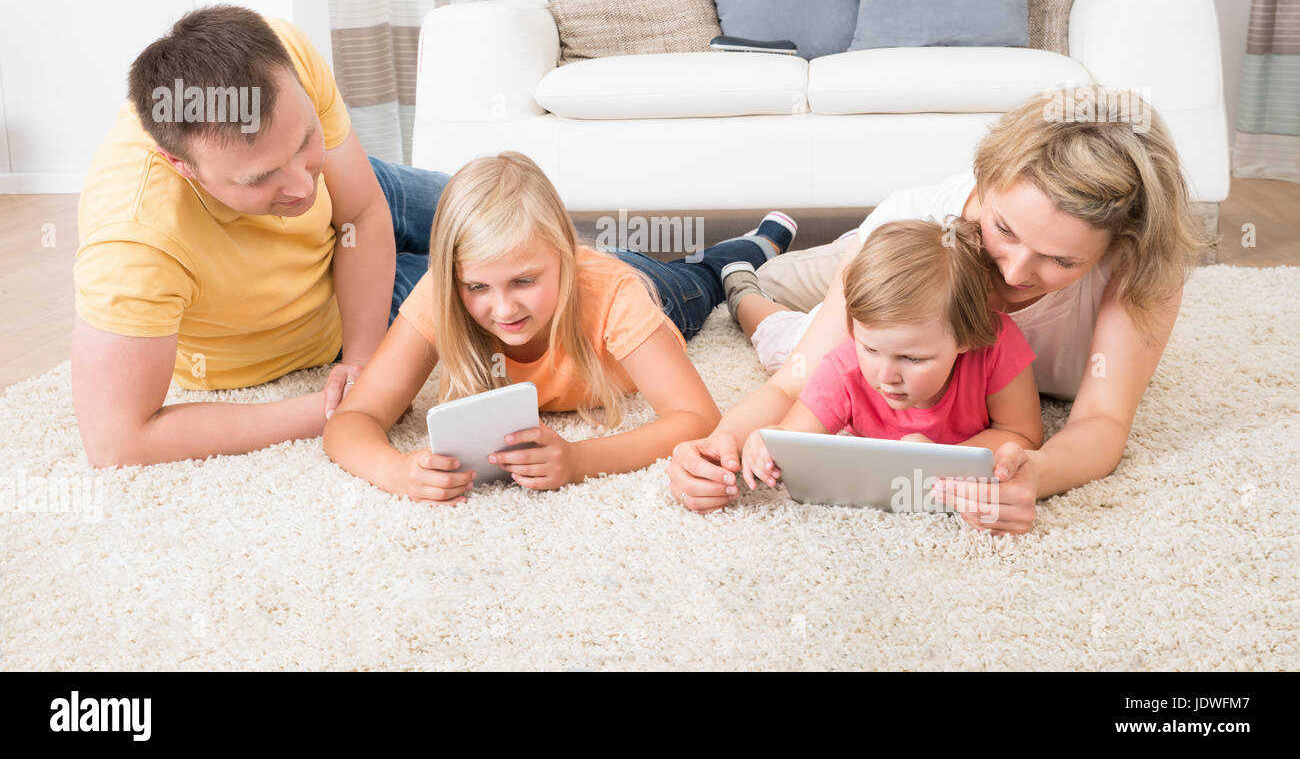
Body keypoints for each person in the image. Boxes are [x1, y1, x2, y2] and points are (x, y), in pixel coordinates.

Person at [669, 84, 1212, 533]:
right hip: (898, 249)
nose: (1015, 274)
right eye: (1004, 229)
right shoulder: (909, 229)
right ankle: (741, 277)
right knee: (784, 328)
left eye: (1060, 260)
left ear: (1120, 246)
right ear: (984, 181)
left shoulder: (1143, 268)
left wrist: (1033, 474)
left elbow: (1102, 421)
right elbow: (793, 386)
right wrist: (722, 442)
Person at [73, 5, 448, 467]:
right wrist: (346, 404)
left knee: (516, 214)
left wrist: (364, 362)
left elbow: (361, 211)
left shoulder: (278, 54)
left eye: (304, 139)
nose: (303, 187)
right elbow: (117, 443)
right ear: (183, 167)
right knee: (511, 282)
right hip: (318, 317)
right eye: (260, 177)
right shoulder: (133, 243)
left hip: (360, 194)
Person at [323, 151, 796, 503]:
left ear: (565, 257)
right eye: (478, 286)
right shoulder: (443, 292)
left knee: (703, 278)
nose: (503, 307)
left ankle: (747, 250)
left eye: (524, 281)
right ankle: (744, 251)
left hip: (660, 290)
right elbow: (350, 423)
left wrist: (577, 460)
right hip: (589, 272)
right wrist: (396, 471)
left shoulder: (613, 295)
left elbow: (697, 418)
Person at [741, 217, 1042, 491]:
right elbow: (793, 439)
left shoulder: (997, 344)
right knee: (772, 335)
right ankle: (741, 287)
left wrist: (948, 459)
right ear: (852, 329)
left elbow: (1022, 434)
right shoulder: (844, 365)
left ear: (966, 335)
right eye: (870, 350)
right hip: (796, 332)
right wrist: (767, 444)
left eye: (911, 359)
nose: (886, 377)